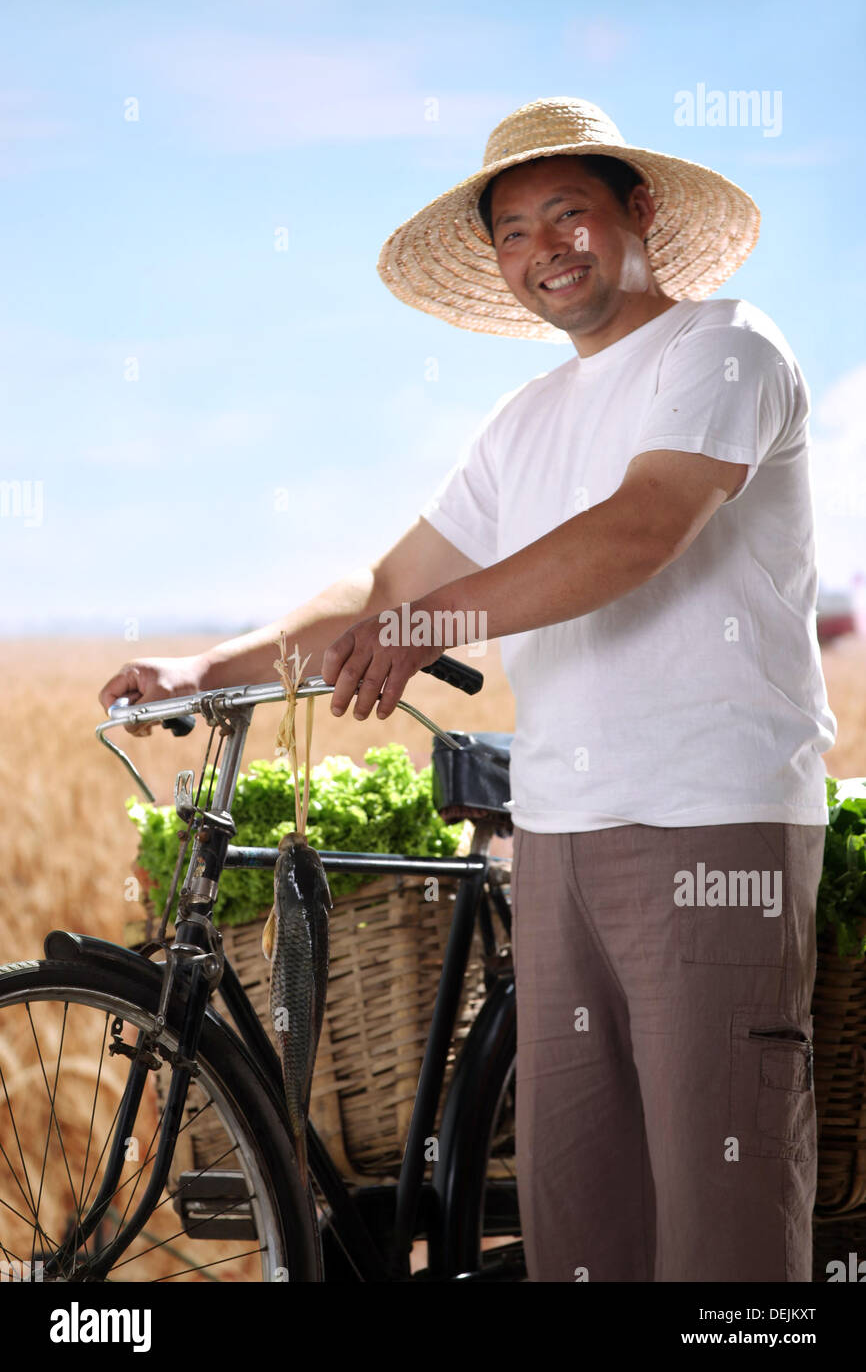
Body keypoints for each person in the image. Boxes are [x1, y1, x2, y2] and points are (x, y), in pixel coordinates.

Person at [99, 96, 837, 1283]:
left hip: (711, 822)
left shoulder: (725, 347)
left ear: (637, 211)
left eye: (569, 214)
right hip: (555, 843)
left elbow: (635, 529)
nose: (543, 249)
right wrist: (209, 667)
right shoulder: (522, 421)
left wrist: (422, 623)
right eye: (512, 231)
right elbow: (386, 582)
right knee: (575, 1216)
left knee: (721, 1217)